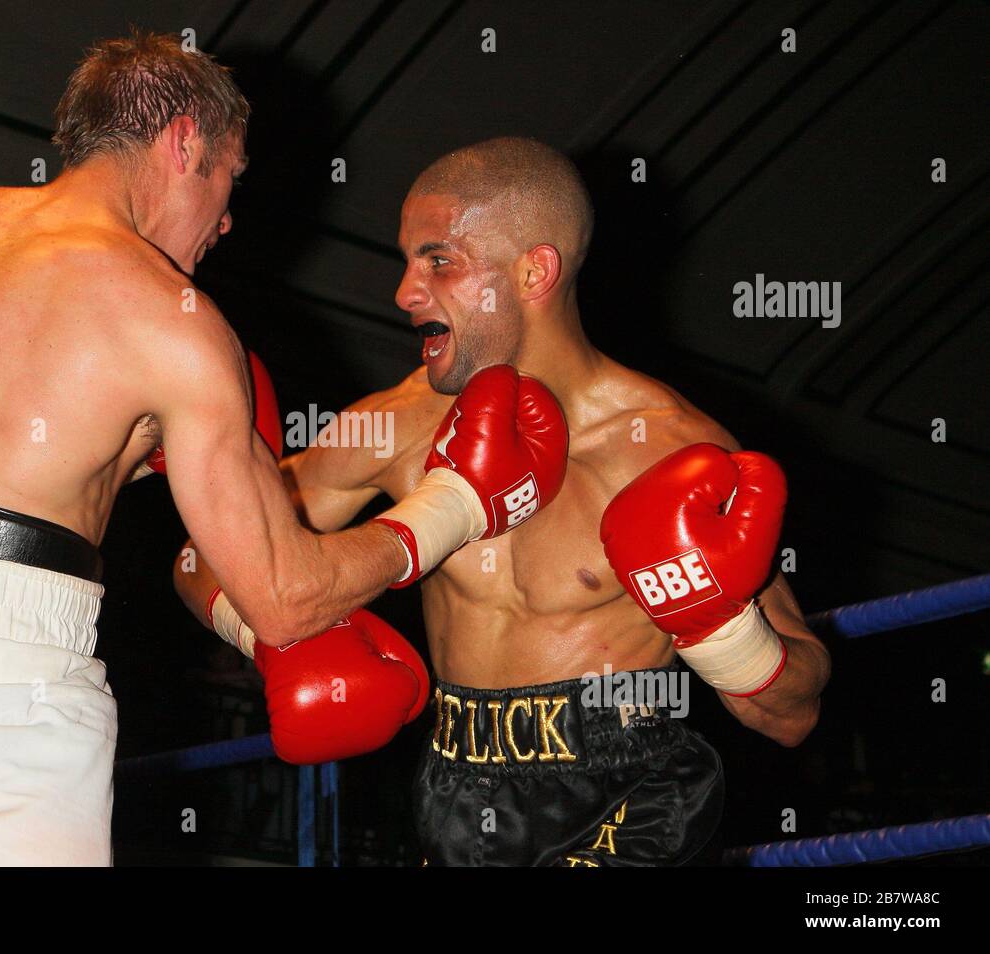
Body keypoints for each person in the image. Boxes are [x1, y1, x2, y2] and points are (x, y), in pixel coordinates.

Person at [0, 34, 567, 866]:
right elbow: (287, 597)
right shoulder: (167, 317)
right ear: (184, 142)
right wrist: (456, 505)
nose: (226, 220)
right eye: (228, 178)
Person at [174, 137, 831, 866]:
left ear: (533, 271)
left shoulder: (670, 450)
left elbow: (793, 714)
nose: (404, 292)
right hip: (452, 798)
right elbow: (203, 555)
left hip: (626, 802)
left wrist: (722, 631)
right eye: (408, 260)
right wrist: (274, 638)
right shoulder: (397, 423)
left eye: (439, 260)